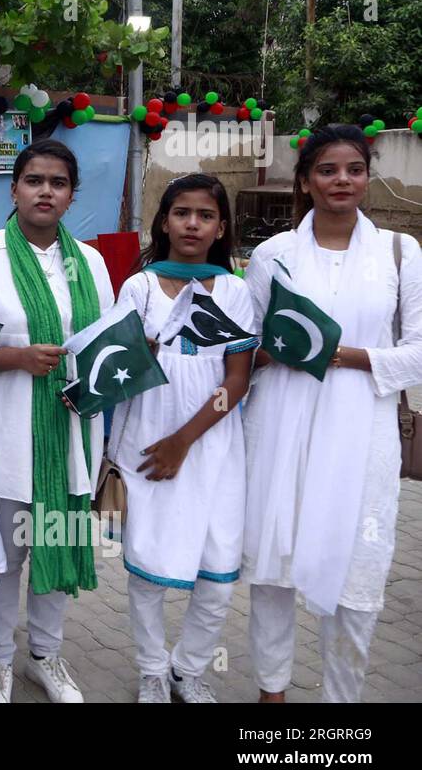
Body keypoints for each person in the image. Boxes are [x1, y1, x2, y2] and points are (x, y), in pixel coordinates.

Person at [242, 124, 422, 704]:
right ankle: (273, 695)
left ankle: (340, 707)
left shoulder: (401, 252)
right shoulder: (274, 256)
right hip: (281, 426)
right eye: (327, 170)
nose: (341, 180)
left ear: (369, 177)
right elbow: (246, 348)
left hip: (361, 434)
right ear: (305, 180)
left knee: (356, 569)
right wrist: (280, 348)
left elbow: (418, 353)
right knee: (274, 565)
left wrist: (337, 353)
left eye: (353, 169)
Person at [0, 139, 115, 704]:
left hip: (71, 430)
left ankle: (46, 656)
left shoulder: (90, 262)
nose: (45, 191)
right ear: (16, 189)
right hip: (5, 433)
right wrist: (16, 358)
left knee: (59, 540)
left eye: (57, 182)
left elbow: (103, 343)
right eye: (34, 180)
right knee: (5, 560)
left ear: (71, 195)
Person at [109, 174, 255, 703]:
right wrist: (136, 350)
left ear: (220, 227)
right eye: (182, 213)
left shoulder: (235, 290)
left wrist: (185, 440)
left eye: (206, 215)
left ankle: (187, 669)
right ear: (164, 220)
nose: (193, 224)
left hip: (211, 446)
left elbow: (235, 380)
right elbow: (115, 368)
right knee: (150, 570)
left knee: (217, 576)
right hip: (147, 443)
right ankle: (151, 669)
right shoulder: (140, 286)